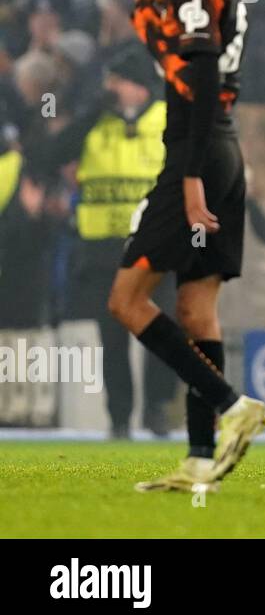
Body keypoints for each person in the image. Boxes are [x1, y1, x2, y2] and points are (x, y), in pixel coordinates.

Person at [97, 0, 265, 493]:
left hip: (197, 154)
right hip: (223, 149)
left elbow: (196, 75)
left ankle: (232, 404)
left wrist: (189, 176)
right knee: (196, 310)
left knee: (126, 300)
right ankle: (201, 460)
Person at [37, 45, 178, 438]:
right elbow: (49, 154)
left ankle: (157, 410)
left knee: (163, 333)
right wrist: (87, 115)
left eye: (118, 80)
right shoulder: (93, 122)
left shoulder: (169, 120)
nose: (110, 87)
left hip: (156, 247)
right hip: (101, 252)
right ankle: (119, 418)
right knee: (112, 340)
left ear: (140, 88)